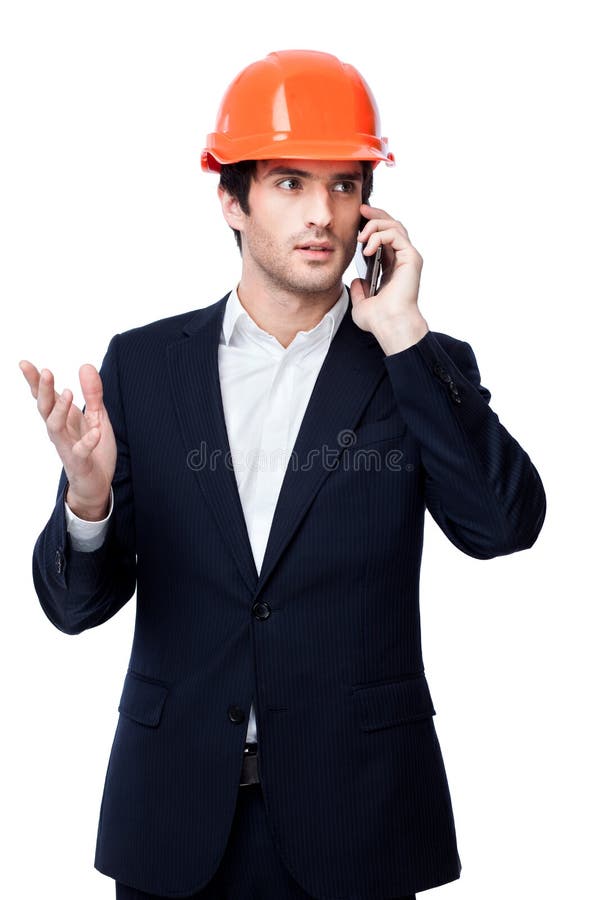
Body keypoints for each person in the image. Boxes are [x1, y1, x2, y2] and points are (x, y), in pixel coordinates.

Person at [21, 49, 546, 900]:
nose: (322, 215)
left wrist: (404, 333)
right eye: (291, 183)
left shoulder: (414, 362)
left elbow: (503, 526)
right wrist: (88, 500)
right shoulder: (145, 367)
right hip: (174, 819)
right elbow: (77, 607)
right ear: (231, 198)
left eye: (345, 185)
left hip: (360, 819)